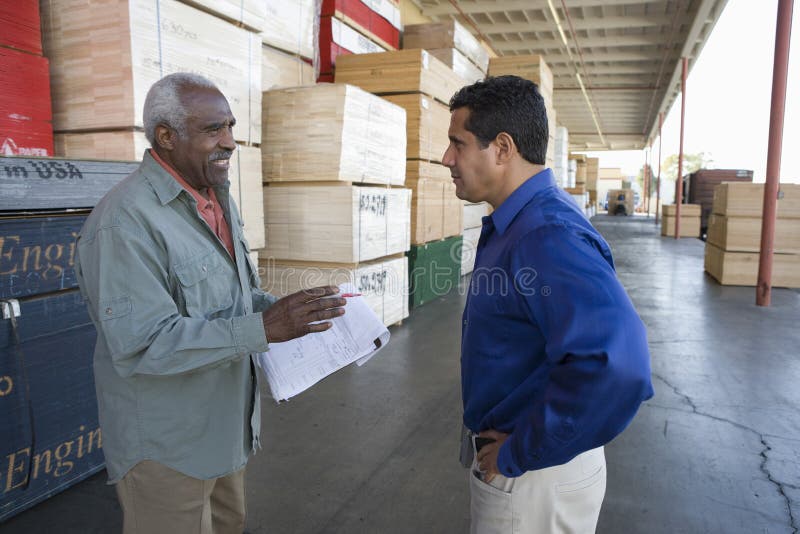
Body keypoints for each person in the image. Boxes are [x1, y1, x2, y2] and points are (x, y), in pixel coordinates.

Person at [74, 72, 346, 533]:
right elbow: (142, 343)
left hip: (225, 430)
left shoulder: (215, 198)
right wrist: (265, 327)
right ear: (166, 137)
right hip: (168, 446)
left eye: (231, 127)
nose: (230, 142)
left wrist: (293, 311)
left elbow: (235, 296)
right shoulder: (124, 224)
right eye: (213, 130)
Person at [442, 75, 654, 533]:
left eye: (458, 144)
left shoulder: (545, 235)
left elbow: (619, 365)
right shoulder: (518, 224)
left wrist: (521, 450)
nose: (447, 159)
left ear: (502, 147)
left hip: (533, 478)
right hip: (532, 466)